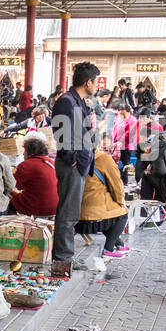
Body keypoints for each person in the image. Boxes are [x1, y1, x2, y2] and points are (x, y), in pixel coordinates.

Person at [50, 61, 100, 273]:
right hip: (71, 164)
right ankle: (62, 259)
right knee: (67, 214)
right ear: (88, 82)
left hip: (79, 164)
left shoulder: (79, 101)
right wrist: (72, 158)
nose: (96, 85)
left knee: (71, 213)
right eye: (95, 81)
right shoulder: (67, 102)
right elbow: (61, 133)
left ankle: (66, 257)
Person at [75, 146, 131, 258]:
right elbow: (117, 186)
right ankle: (108, 250)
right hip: (93, 212)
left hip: (76, 211)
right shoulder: (103, 159)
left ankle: (119, 243)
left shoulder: (72, 158)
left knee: (109, 214)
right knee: (122, 214)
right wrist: (121, 202)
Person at [9, 136, 59, 217]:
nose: (23, 153)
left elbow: (10, 184)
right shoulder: (51, 162)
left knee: (8, 194)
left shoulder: (26, 165)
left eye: (24, 151)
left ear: (30, 152)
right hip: (55, 208)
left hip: (37, 208)